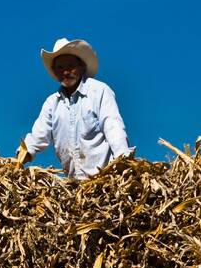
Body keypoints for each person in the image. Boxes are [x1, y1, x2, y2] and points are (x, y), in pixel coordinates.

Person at [16, 37, 132, 180]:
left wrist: (125, 163)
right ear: (54, 72)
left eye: (70, 66)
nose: (65, 72)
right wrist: (17, 162)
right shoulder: (52, 104)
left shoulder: (98, 91)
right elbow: (37, 137)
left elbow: (113, 126)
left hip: (105, 181)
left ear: (82, 67)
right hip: (74, 187)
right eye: (60, 68)